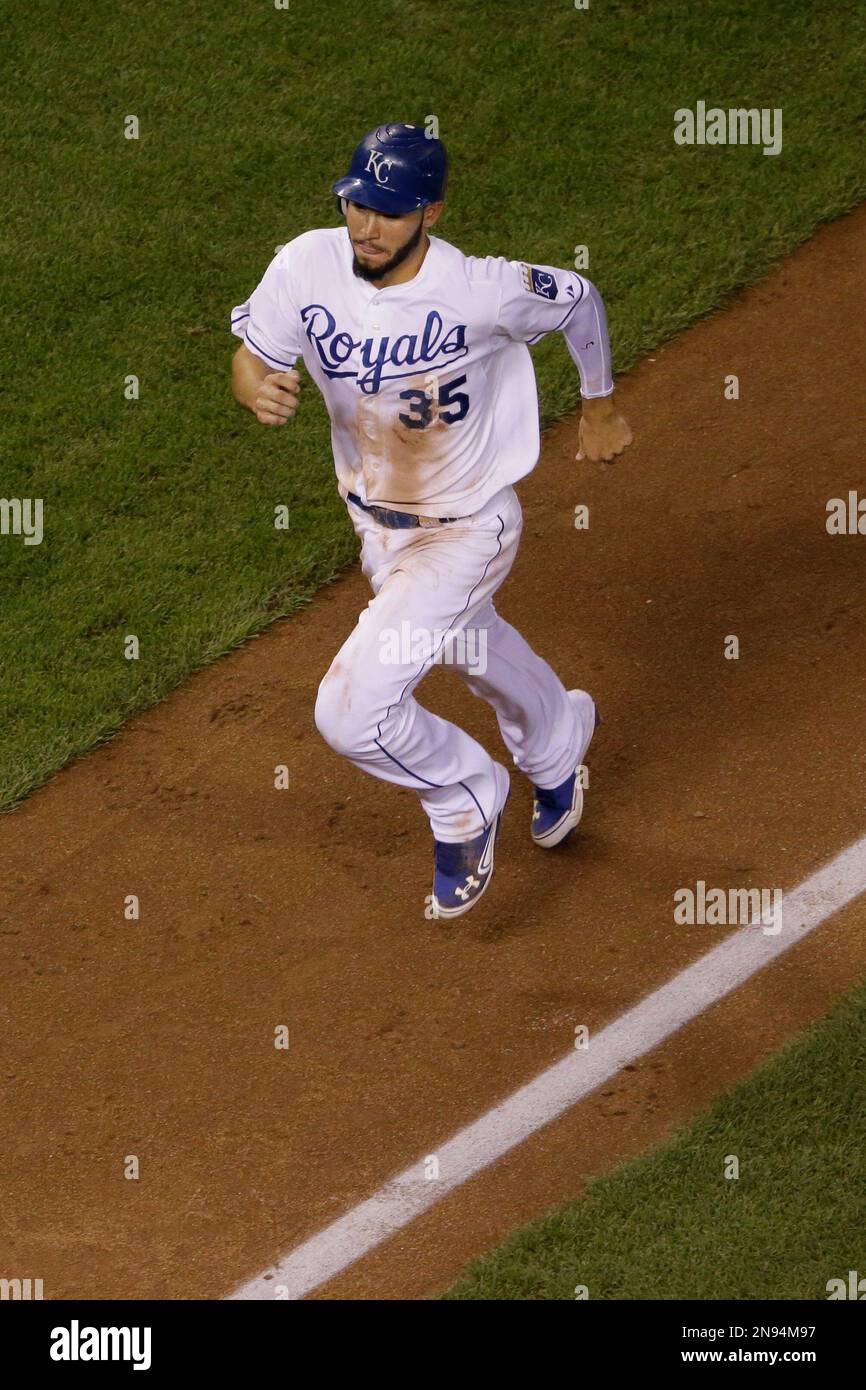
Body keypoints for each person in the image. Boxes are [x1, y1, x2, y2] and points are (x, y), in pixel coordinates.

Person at [230, 122, 633, 919]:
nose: (366, 227)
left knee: (348, 713)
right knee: (470, 643)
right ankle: (557, 742)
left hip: (465, 530)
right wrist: (251, 383)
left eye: (387, 211)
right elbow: (255, 352)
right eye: (356, 205)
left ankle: (464, 795)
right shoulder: (305, 263)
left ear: (432, 212)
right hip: (376, 529)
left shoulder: (479, 290)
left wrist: (600, 405)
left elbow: (578, 299)